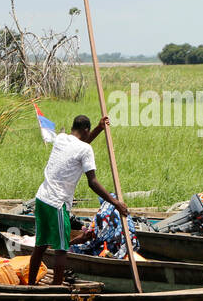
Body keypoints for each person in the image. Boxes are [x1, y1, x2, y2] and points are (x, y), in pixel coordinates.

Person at [29, 115, 129, 287]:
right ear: (85, 130)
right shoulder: (85, 149)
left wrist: (98, 128)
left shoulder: (61, 138)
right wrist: (116, 202)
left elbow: (80, 145)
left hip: (41, 199)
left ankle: (30, 285)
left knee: (40, 246)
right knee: (61, 249)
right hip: (57, 203)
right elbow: (93, 182)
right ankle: (56, 288)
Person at [70, 199, 138, 259]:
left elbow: (87, 235)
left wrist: (69, 243)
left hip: (109, 251)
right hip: (129, 249)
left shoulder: (102, 214)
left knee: (74, 249)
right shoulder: (124, 212)